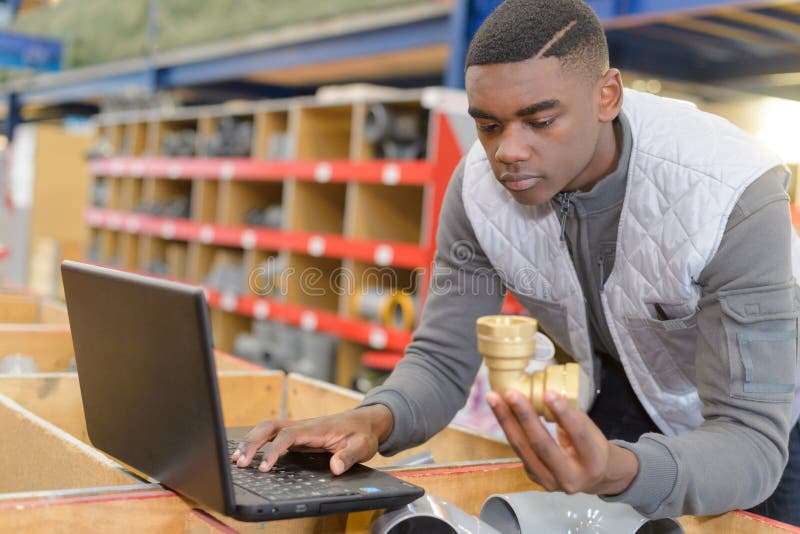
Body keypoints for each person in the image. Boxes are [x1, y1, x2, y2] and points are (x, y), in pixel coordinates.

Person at [231, 0, 800, 524]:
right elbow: (441, 358)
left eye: (541, 120)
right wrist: (373, 419)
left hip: (769, 423)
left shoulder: (729, 194)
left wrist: (618, 470)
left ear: (607, 96)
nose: (508, 151)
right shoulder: (478, 192)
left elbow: (750, 439)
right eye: (489, 124)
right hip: (628, 391)